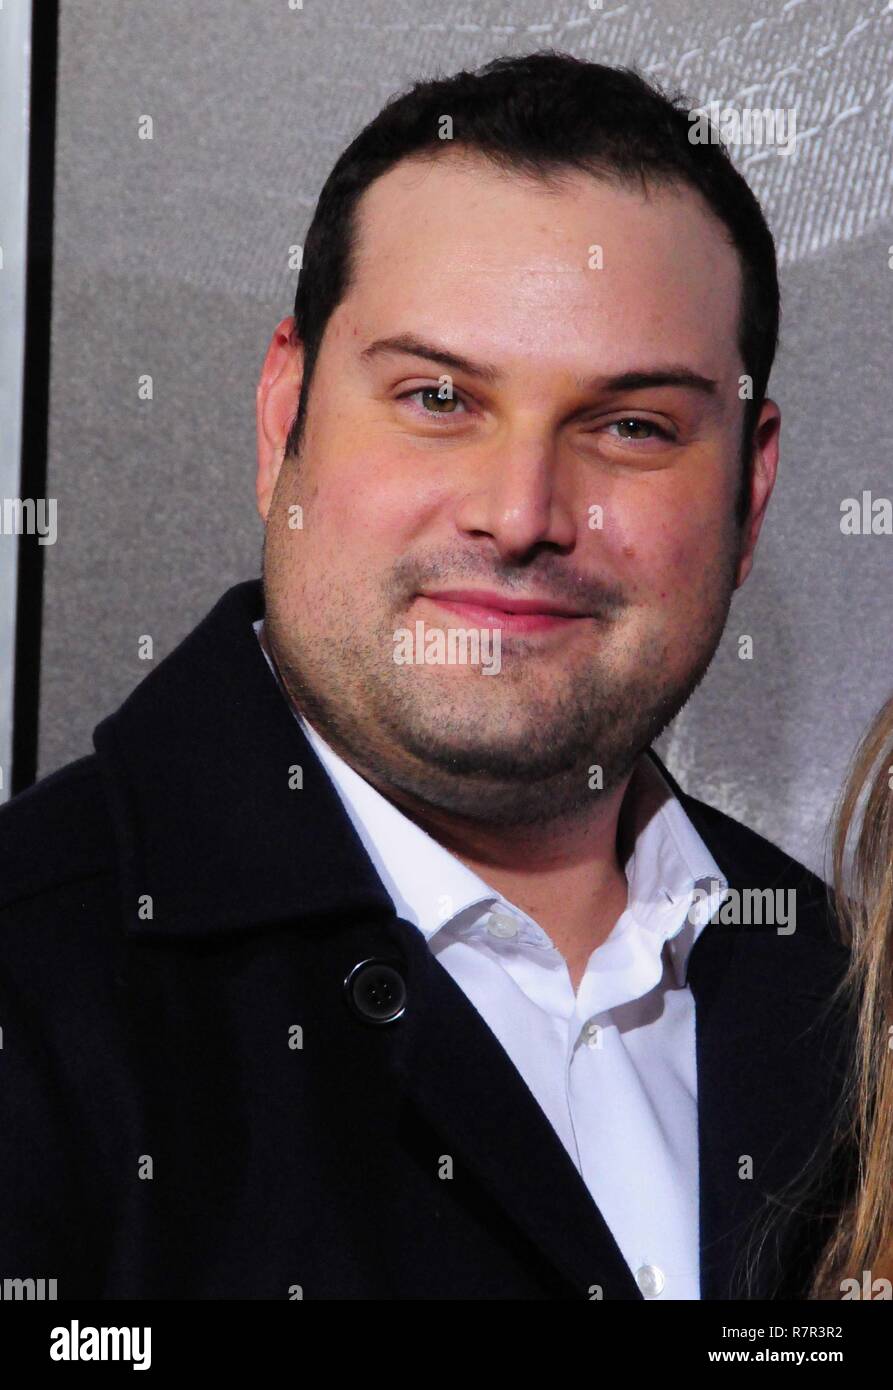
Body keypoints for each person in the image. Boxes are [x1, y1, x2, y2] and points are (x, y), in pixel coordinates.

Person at [0, 51, 855, 1300]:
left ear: (749, 488)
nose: (520, 513)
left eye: (630, 425)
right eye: (438, 396)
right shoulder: (34, 982)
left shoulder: (847, 1002)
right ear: (282, 417)